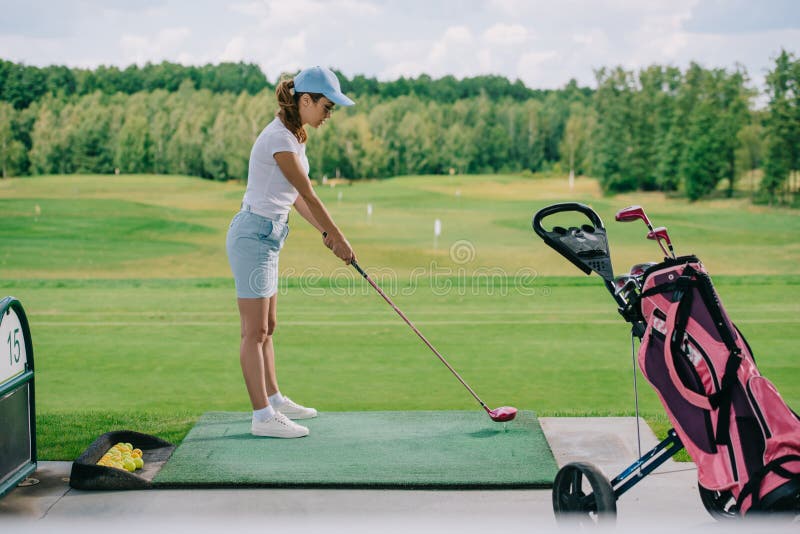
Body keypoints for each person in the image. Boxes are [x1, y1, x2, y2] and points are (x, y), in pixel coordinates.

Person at [226, 66, 356, 438]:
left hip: (269, 236)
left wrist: (326, 236)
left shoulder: (295, 137)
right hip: (252, 236)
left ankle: (274, 399)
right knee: (253, 331)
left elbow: (296, 198)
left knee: (268, 327)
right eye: (326, 107)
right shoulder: (279, 140)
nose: (328, 115)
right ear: (305, 100)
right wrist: (338, 236)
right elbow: (310, 193)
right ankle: (262, 417)